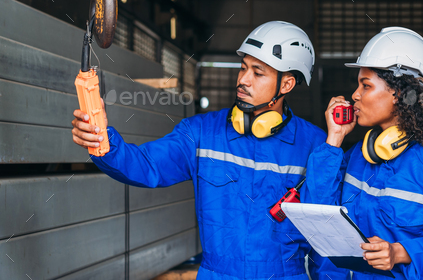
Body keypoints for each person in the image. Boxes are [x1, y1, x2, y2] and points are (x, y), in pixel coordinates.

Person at [71, 21, 328, 280]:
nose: (243, 80)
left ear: (287, 85)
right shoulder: (202, 133)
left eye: (258, 73)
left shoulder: (317, 147)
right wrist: (101, 140)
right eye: (243, 68)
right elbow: (145, 165)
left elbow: (327, 238)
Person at [306, 27, 423, 279]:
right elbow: (318, 216)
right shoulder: (358, 156)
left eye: (366, 85)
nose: (355, 95)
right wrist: (334, 138)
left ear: (399, 94)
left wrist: (401, 252)